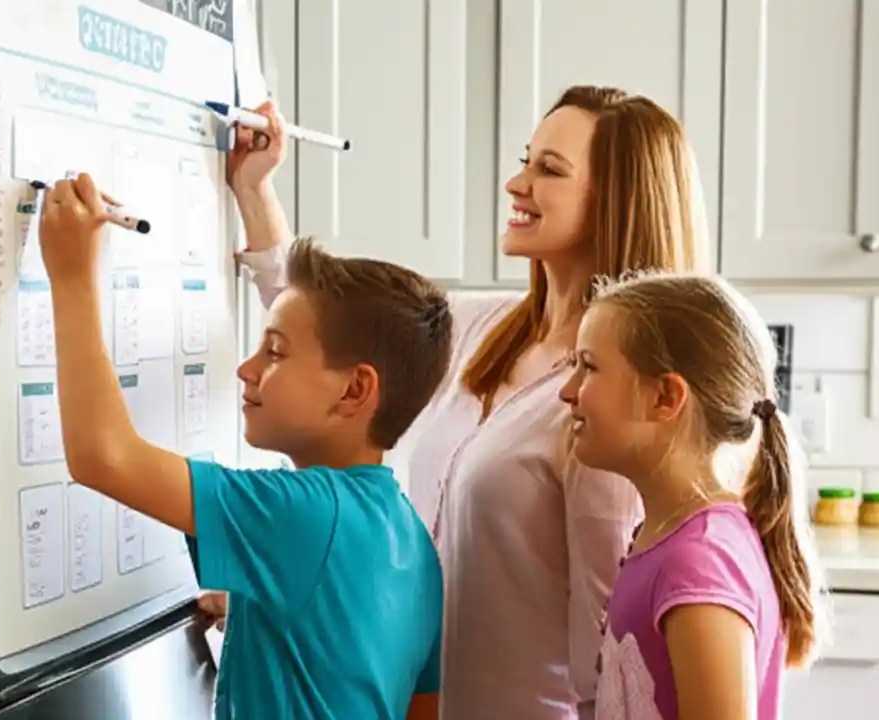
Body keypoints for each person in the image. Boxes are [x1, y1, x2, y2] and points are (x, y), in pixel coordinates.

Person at [228, 85, 711, 717]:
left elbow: (603, 651)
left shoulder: (613, 400)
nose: (517, 183)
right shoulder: (482, 328)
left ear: (617, 203)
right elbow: (323, 333)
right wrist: (255, 190)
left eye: (549, 170)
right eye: (526, 160)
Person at [37, 173, 449, 720]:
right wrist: (269, 613)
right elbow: (420, 709)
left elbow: (102, 456)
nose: (246, 369)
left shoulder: (305, 513)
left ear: (354, 391)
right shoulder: (411, 540)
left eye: (274, 352)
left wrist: (70, 274)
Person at [557, 272, 828, 719]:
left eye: (589, 367)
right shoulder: (668, 537)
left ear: (665, 397)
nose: (567, 391)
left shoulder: (699, 561)